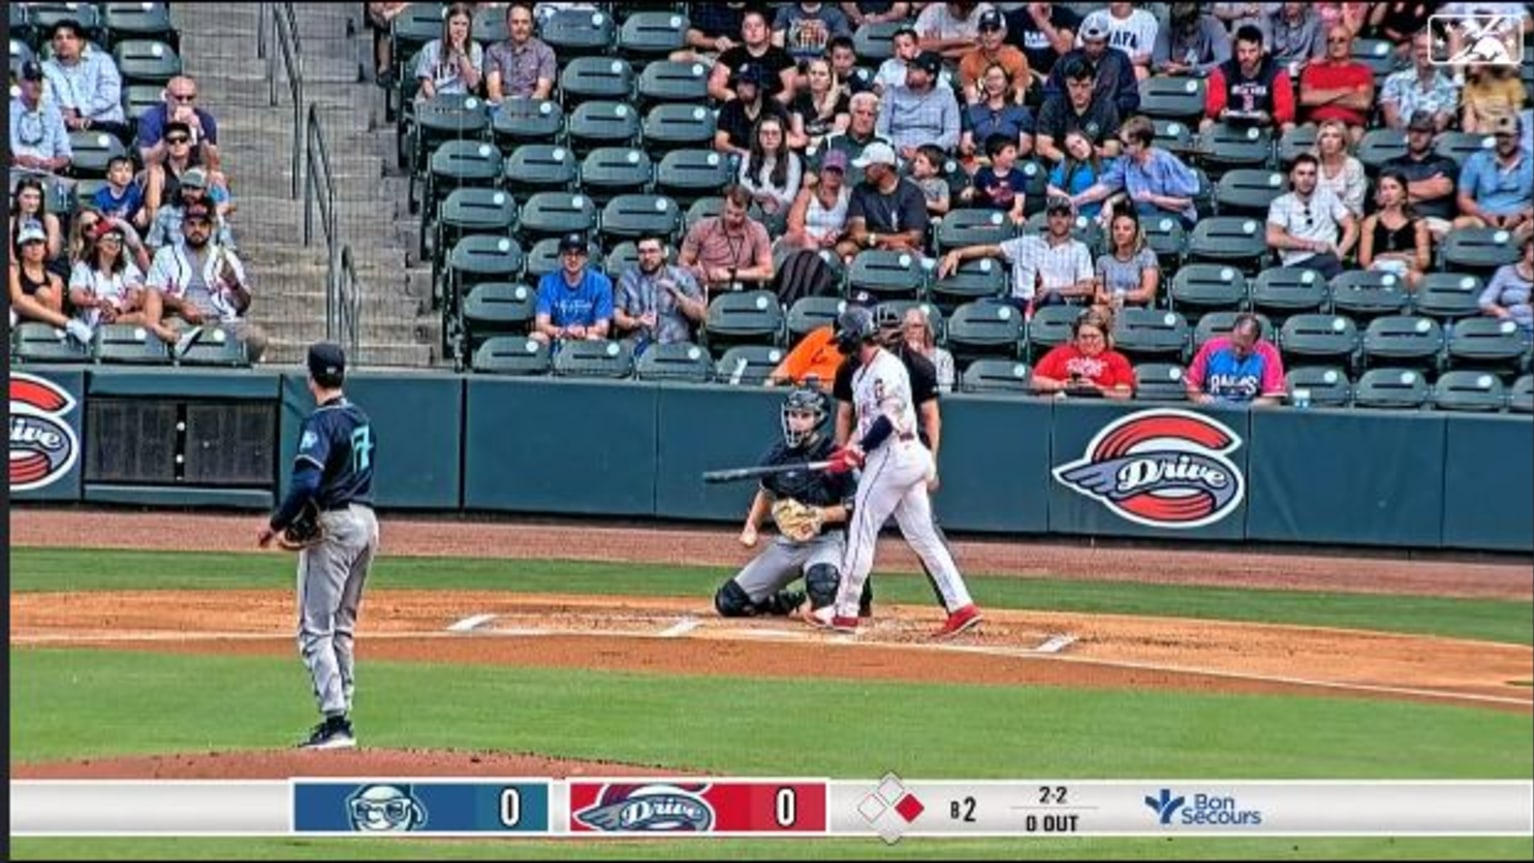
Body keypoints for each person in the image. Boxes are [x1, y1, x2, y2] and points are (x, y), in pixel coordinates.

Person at [810, 306, 981, 638]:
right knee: (923, 536)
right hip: (899, 458)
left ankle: (845, 612)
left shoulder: (889, 369)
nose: (840, 346)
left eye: (843, 339)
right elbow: (866, 423)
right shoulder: (859, 374)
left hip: (896, 455)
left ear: (854, 336)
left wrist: (859, 450)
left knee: (861, 527)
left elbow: (888, 420)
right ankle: (961, 607)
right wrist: (847, 450)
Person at [259, 342, 378, 751]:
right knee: (342, 626)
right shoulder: (360, 417)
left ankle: (336, 722)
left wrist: (276, 524)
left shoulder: (320, 423)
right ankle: (343, 711)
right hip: (368, 523)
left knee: (315, 630)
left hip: (336, 526)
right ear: (341, 375)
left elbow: (307, 483)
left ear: (311, 378)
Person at [714, 387, 857, 621]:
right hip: (787, 544)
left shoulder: (834, 456)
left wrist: (819, 515)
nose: (796, 421)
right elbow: (765, 493)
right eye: (792, 414)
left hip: (825, 541)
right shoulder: (778, 454)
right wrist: (751, 528)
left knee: (823, 585)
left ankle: (832, 597)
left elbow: (853, 508)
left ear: (819, 418)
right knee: (728, 602)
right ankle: (784, 601)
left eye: (804, 415)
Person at [147, 202, 267, 360]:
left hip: (221, 320)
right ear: (182, 227)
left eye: (203, 225)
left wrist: (234, 283)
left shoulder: (226, 256)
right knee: (170, 334)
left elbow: (244, 305)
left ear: (211, 229)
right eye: (191, 224)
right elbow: (153, 292)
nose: (197, 229)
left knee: (257, 338)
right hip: (182, 321)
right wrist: (181, 305)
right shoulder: (165, 255)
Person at [938, 195, 1094, 309]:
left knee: (1053, 299)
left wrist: (1052, 291)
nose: (1059, 220)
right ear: (1048, 218)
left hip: (1055, 305)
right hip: (1021, 302)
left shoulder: (1079, 249)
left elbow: (1087, 288)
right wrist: (958, 253)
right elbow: (991, 250)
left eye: (1064, 215)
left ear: (1072, 220)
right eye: (1054, 215)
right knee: (982, 306)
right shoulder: (1027, 242)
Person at [1074, 115, 1200, 228]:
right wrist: (1074, 201)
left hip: (1175, 219)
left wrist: (1153, 198)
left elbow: (1185, 203)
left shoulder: (1165, 161)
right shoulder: (1125, 162)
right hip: (1143, 219)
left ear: (1140, 144)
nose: (1121, 147)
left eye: (1125, 144)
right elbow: (1104, 187)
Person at [1266, 153, 1358, 279]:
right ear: (1292, 177)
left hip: (1328, 261)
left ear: (1317, 177)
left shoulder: (1328, 196)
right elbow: (1273, 237)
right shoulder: (1280, 203)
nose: (1306, 179)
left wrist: (1340, 252)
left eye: (1311, 174)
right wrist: (1312, 245)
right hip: (1294, 263)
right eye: (1301, 173)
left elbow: (1351, 225)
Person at [835, 142, 930, 261]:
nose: (864, 171)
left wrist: (875, 238)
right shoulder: (860, 190)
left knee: (898, 249)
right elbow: (858, 233)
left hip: (903, 248)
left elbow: (914, 237)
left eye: (868, 167)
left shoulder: (912, 193)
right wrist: (876, 241)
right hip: (869, 247)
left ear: (884, 168)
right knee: (844, 248)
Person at [613, 234, 706, 352]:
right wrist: (636, 322)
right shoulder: (627, 278)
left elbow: (700, 315)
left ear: (663, 253)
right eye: (642, 252)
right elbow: (617, 316)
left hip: (675, 344)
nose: (647, 257)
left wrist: (678, 294)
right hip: (637, 343)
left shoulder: (682, 277)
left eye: (652, 251)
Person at [679, 184, 777, 291]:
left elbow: (768, 272)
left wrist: (733, 274)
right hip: (705, 287)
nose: (732, 218)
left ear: (747, 211)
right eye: (728, 212)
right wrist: (697, 272)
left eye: (738, 215)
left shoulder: (757, 231)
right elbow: (683, 262)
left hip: (740, 288)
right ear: (723, 206)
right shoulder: (702, 228)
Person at [1202, 24, 1296, 135]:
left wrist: (1271, 117)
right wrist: (1219, 113)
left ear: (1261, 51)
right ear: (1236, 51)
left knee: (1289, 127)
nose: (1246, 56)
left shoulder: (1277, 73)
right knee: (1205, 124)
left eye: (1252, 51)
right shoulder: (1222, 71)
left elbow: (1286, 110)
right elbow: (1214, 106)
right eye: (1242, 51)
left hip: (1266, 127)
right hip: (1230, 125)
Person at [1383, 111, 1461, 238]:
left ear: (1432, 135)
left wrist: (1398, 191)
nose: (1417, 136)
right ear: (1407, 132)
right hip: (1400, 221)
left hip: (1435, 223)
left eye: (1423, 132)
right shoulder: (1391, 164)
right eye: (1413, 131)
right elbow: (1382, 198)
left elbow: (1442, 188)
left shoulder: (1445, 163)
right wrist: (1428, 187)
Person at [10, 221, 90, 343]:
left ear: (45, 248)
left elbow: (54, 311)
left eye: (38, 242)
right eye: (28, 243)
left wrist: (31, 300)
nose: (34, 247)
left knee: (44, 293)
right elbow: (18, 302)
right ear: (21, 250)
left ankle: (62, 330)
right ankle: (68, 324)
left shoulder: (55, 279)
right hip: (19, 323)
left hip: (48, 325)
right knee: (43, 293)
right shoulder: (13, 271)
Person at [1029, 308, 1135, 398]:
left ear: (1105, 337)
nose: (1089, 341)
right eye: (1084, 337)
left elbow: (1125, 393)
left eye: (1094, 337)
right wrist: (1060, 385)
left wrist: (1096, 388)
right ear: (1076, 338)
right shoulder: (1059, 353)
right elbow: (1035, 381)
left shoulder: (1117, 359)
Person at [876, 50, 962, 160]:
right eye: (909, 67)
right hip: (896, 155)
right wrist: (898, 149)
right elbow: (881, 131)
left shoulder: (946, 97)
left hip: (932, 157)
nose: (909, 71)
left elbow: (952, 134)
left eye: (916, 68)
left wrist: (924, 153)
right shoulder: (892, 93)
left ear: (930, 77)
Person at [1454, 114, 1533, 233]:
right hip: (1484, 220)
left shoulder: (1531, 162)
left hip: (1521, 222)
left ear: (1520, 136)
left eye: (1509, 135)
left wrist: (1520, 217)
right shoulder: (1477, 159)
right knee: (1460, 224)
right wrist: (1486, 216)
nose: (1504, 140)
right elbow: (1463, 198)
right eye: (1500, 135)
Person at [531, 233, 614, 346]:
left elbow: (603, 328)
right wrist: (563, 331)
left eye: (578, 254)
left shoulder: (602, 283)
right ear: (560, 257)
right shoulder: (547, 282)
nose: (573, 259)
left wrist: (583, 331)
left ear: (586, 258)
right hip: (558, 338)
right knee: (536, 337)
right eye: (568, 254)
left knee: (593, 338)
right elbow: (540, 324)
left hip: (585, 338)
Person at [1185, 313, 1286, 405]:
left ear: (1255, 343)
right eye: (1235, 345)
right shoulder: (1211, 348)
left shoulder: (1268, 353)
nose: (1238, 351)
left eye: (1243, 348)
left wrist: (1244, 408)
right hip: (1214, 412)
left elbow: (1273, 399)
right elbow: (1191, 386)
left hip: (1250, 417)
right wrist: (1200, 398)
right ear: (1231, 334)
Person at [1298, 26, 1375, 143]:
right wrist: (1343, 92)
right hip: (1317, 124)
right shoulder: (1312, 69)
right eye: (1331, 40)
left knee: (1357, 133)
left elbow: (1363, 102)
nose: (1335, 44)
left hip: (1350, 125)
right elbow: (1306, 98)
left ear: (1351, 45)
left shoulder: (1362, 71)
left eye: (1341, 40)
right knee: (1305, 130)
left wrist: (1321, 98)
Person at [1358, 169, 1431, 290]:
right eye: (1384, 188)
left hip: (1406, 272)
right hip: (1378, 271)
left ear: (1403, 192)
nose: (1388, 193)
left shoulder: (1418, 223)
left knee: (1417, 278)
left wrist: (1393, 256)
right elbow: (1365, 261)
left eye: (1393, 187)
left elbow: (1424, 262)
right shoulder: (1371, 222)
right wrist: (1406, 256)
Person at [1379, 31, 1460, 133]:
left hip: (1432, 144)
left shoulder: (1449, 87)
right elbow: (1393, 122)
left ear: (1438, 53)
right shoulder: (1394, 81)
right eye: (1420, 47)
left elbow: (1439, 125)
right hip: (1399, 142)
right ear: (1412, 51)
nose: (1426, 52)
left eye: (1431, 48)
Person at [960, 62, 1036, 165]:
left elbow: (1025, 147)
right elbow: (965, 144)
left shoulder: (1022, 112)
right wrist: (968, 148)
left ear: (1007, 82)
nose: (992, 82)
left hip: (1011, 164)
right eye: (989, 79)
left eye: (997, 78)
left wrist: (1000, 160)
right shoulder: (972, 112)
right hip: (979, 162)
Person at [781, 148, 852, 252]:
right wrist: (816, 240)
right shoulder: (807, 193)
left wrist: (837, 237)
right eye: (829, 170)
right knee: (809, 243)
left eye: (838, 171)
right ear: (822, 172)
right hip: (804, 239)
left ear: (843, 175)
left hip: (833, 242)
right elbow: (794, 225)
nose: (833, 175)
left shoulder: (847, 195)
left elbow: (851, 226)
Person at [738, 115, 803, 229]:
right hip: (753, 207)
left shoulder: (792, 159)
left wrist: (773, 200)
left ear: (782, 136)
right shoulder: (748, 157)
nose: (769, 137)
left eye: (774, 133)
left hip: (781, 210)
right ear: (758, 136)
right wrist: (762, 197)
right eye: (764, 133)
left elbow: (790, 195)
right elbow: (744, 185)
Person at [484, 3, 557, 104]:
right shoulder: (494, 51)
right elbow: (494, 92)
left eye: (525, 22)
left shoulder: (546, 52)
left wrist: (523, 113)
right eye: (515, 22)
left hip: (533, 108)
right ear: (507, 24)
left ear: (532, 24)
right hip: (503, 107)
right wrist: (508, 112)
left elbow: (542, 92)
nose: (520, 27)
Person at [958, 10, 1031, 106]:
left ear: (1004, 32)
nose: (989, 34)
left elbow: (1018, 101)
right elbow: (973, 104)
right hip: (981, 114)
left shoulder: (1018, 58)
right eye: (984, 29)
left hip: (1010, 113)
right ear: (979, 33)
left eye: (994, 29)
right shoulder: (968, 61)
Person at [415, 3, 483, 102]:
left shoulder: (476, 49)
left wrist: (461, 52)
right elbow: (426, 84)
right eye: (455, 23)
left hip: (462, 101)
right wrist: (438, 104)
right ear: (447, 25)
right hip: (434, 99)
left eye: (464, 24)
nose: (459, 29)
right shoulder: (430, 48)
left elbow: (473, 84)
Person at [1094, 211, 1159, 310]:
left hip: (1138, 311)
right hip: (1109, 310)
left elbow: (1147, 293)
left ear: (1136, 232)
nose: (1120, 232)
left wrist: (1119, 296)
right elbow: (1099, 297)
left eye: (1126, 229)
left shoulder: (1147, 256)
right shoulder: (1103, 261)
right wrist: (1108, 301)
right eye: (1116, 228)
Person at [961, 133, 1029, 224]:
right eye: (1010, 152)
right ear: (995, 157)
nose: (1015, 155)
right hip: (984, 217)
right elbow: (975, 191)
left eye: (1015, 151)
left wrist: (1003, 219)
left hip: (1007, 217)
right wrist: (969, 191)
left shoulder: (1018, 176)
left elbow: (1018, 207)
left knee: (1021, 221)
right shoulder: (982, 173)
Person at [787, 57, 851, 152]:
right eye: (813, 73)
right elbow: (798, 134)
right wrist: (807, 142)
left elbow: (838, 136)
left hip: (832, 151)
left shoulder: (842, 100)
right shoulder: (800, 99)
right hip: (806, 151)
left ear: (830, 79)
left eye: (822, 74)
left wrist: (809, 140)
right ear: (808, 77)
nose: (816, 78)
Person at [1152, 2, 1230, 78]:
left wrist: (1189, 69)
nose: (1188, 31)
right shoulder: (1167, 24)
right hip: (1174, 77)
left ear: (1199, 18)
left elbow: (1224, 62)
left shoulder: (1214, 25)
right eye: (1182, 30)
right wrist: (1168, 66)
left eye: (1192, 31)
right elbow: (1158, 61)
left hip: (1205, 77)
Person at [1478, 232, 1533, 337]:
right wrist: (1499, 311)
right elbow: (1484, 302)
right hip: (1510, 324)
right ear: (1527, 247)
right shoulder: (1506, 271)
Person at [1046, 130, 1107, 220]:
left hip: (1099, 216)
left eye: (1079, 142)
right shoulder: (1067, 165)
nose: (1078, 148)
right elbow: (1050, 189)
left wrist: (1109, 203)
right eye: (1073, 148)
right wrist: (1069, 200)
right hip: (1074, 215)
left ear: (1087, 140)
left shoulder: (1105, 163)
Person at [1313, 119, 1368, 219]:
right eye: (1325, 136)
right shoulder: (1311, 164)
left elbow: (1354, 205)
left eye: (1335, 136)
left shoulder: (1353, 165)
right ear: (1319, 141)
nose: (1329, 140)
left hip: (1348, 220)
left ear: (1343, 142)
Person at [900, 306, 956, 393]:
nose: (911, 330)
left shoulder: (943, 357)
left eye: (916, 326)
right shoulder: (897, 356)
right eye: (907, 326)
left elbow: (945, 390)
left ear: (926, 328)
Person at [908, 144, 953, 218]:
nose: (915, 164)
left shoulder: (941, 184)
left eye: (921, 162)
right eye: (915, 160)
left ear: (934, 168)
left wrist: (923, 202)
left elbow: (944, 207)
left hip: (932, 219)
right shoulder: (908, 181)